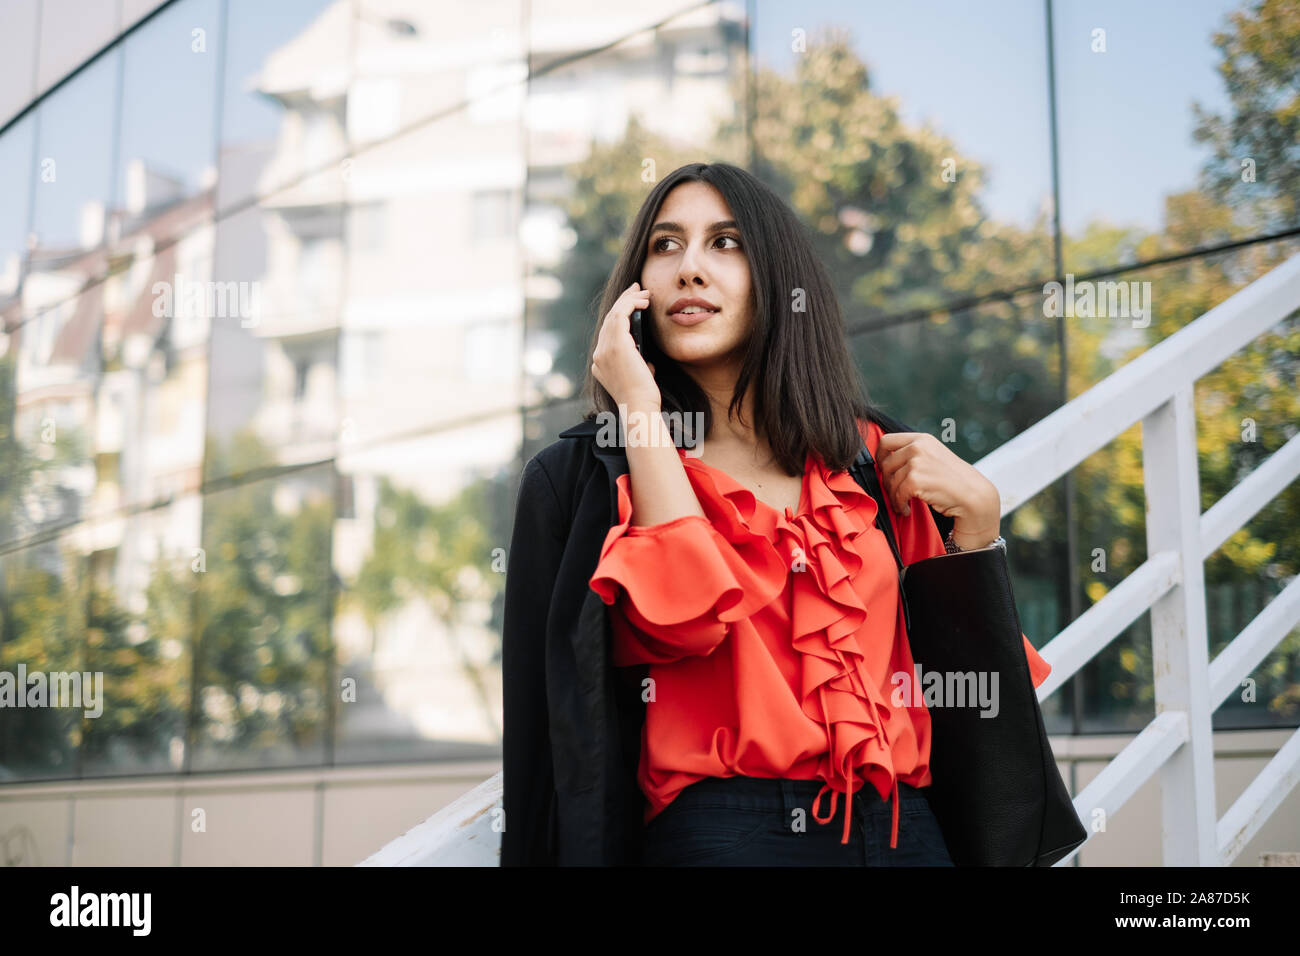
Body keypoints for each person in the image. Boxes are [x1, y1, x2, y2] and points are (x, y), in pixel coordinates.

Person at [500, 161, 1050, 866]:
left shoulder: (874, 464)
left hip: (906, 834)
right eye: (665, 246)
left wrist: (977, 537)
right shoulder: (584, 480)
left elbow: (975, 702)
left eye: (725, 242)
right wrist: (638, 410)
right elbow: (684, 619)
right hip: (721, 840)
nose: (689, 269)